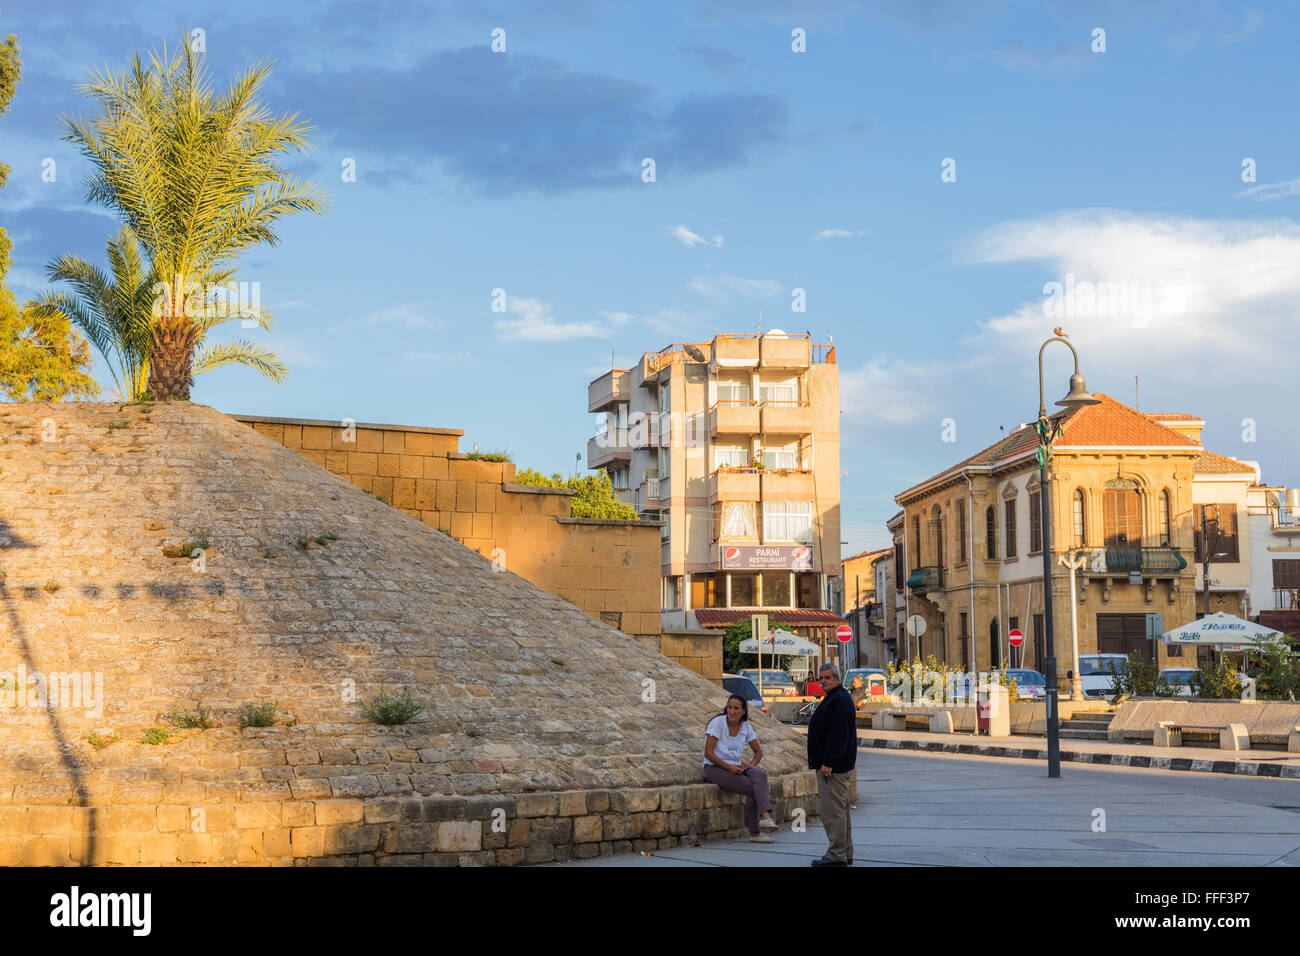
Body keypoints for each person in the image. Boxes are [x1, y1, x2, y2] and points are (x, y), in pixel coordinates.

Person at [703, 694, 779, 842]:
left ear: (743, 711)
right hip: (714, 767)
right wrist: (729, 768)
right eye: (729, 707)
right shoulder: (718, 723)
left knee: (760, 775)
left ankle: (765, 817)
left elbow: (758, 752)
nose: (732, 711)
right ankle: (755, 833)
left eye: (736, 708)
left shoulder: (745, 726)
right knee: (750, 787)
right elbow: (708, 753)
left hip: (736, 766)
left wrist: (751, 765)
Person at [806, 662, 856, 866]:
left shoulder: (840, 701)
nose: (823, 681)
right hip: (835, 765)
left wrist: (828, 763)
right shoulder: (835, 698)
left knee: (832, 812)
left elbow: (838, 736)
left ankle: (836, 855)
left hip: (833, 768)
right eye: (821, 678)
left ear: (836, 679)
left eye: (828, 678)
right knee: (840, 811)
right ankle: (845, 852)